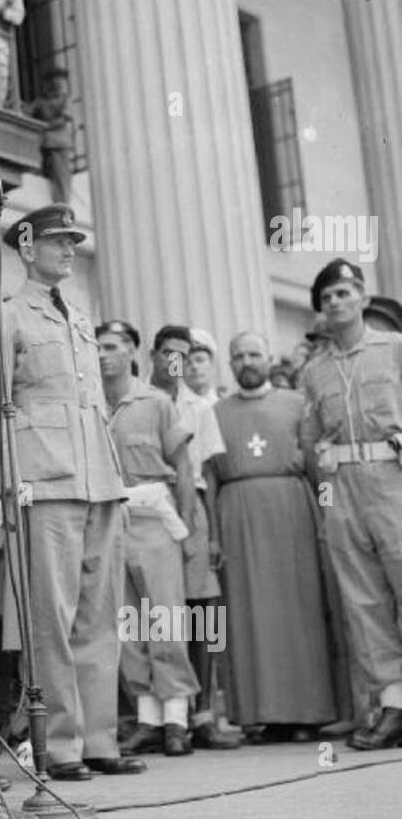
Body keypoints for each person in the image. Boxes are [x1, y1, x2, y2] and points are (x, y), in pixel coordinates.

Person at [0, 207, 142, 780]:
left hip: (99, 476)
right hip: (42, 482)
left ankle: (99, 738)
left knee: (99, 616)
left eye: (73, 241)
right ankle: (62, 744)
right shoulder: (2, 319)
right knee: (52, 617)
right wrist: (3, 495)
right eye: (56, 241)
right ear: (25, 248)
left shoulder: (79, 317)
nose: (70, 250)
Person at [208, 332, 336, 739]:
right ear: (230, 364)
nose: (246, 361)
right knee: (248, 616)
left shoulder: (297, 403)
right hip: (237, 514)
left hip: (291, 512)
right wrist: (212, 533)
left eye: (254, 354)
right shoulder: (214, 412)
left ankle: (307, 712)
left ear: (267, 358)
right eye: (238, 355)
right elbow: (208, 477)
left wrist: (327, 514)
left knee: (299, 613)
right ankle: (260, 714)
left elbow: (318, 466)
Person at [300, 259, 402, 750]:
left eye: (343, 293)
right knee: (364, 602)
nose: (336, 303)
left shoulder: (393, 349)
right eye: (327, 298)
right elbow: (310, 437)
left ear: (362, 297)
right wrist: (327, 500)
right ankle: (393, 704)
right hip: (341, 486)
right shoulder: (314, 370)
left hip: (393, 479)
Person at [99, 320, 201, 757]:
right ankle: (147, 717)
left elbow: (183, 467)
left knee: (165, 619)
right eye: (97, 347)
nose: (103, 355)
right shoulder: (88, 404)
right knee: (126, 624)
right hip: (109, 520)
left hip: (155, 519)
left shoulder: (156, 402)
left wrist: (188, 528)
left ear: (132, 352)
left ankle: (177, 717)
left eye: (113, 346)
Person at [149, 324, 236, 751]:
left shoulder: (199, 407)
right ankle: (158, 716)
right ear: (152, 354)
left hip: (193, 503)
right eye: (167, 353)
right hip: (146, 506)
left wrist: (214, 536)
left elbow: (213, 479)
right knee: (151, 611)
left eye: (183, 355)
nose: (174, 363)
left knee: (203, 609)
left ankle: (203, 713)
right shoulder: (134, 400)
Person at [28, 68, 74, 205]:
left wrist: (45, 127)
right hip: (43, 143)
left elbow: (64, 120)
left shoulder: (64, 100)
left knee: (60, 177)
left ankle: (62, 205)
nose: (55, 86)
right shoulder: (41, 101)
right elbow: (29, 111)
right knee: (40, 172)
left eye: (58, 83)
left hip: (58, 143)